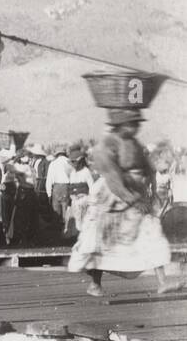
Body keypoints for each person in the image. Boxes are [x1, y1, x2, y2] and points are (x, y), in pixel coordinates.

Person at [69, 110, 182, 297]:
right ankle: (95, 283)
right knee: (101, 240)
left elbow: (148, 168)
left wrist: (150, 190)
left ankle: (162, 281)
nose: (136, 127)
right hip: (114, 197)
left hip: (137, 193)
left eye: (137, 124)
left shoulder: (135, 144)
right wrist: (132, 199)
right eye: (132, 124)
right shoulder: (107, 145)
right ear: (120, 125)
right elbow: (113, 178)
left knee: (150, 231)